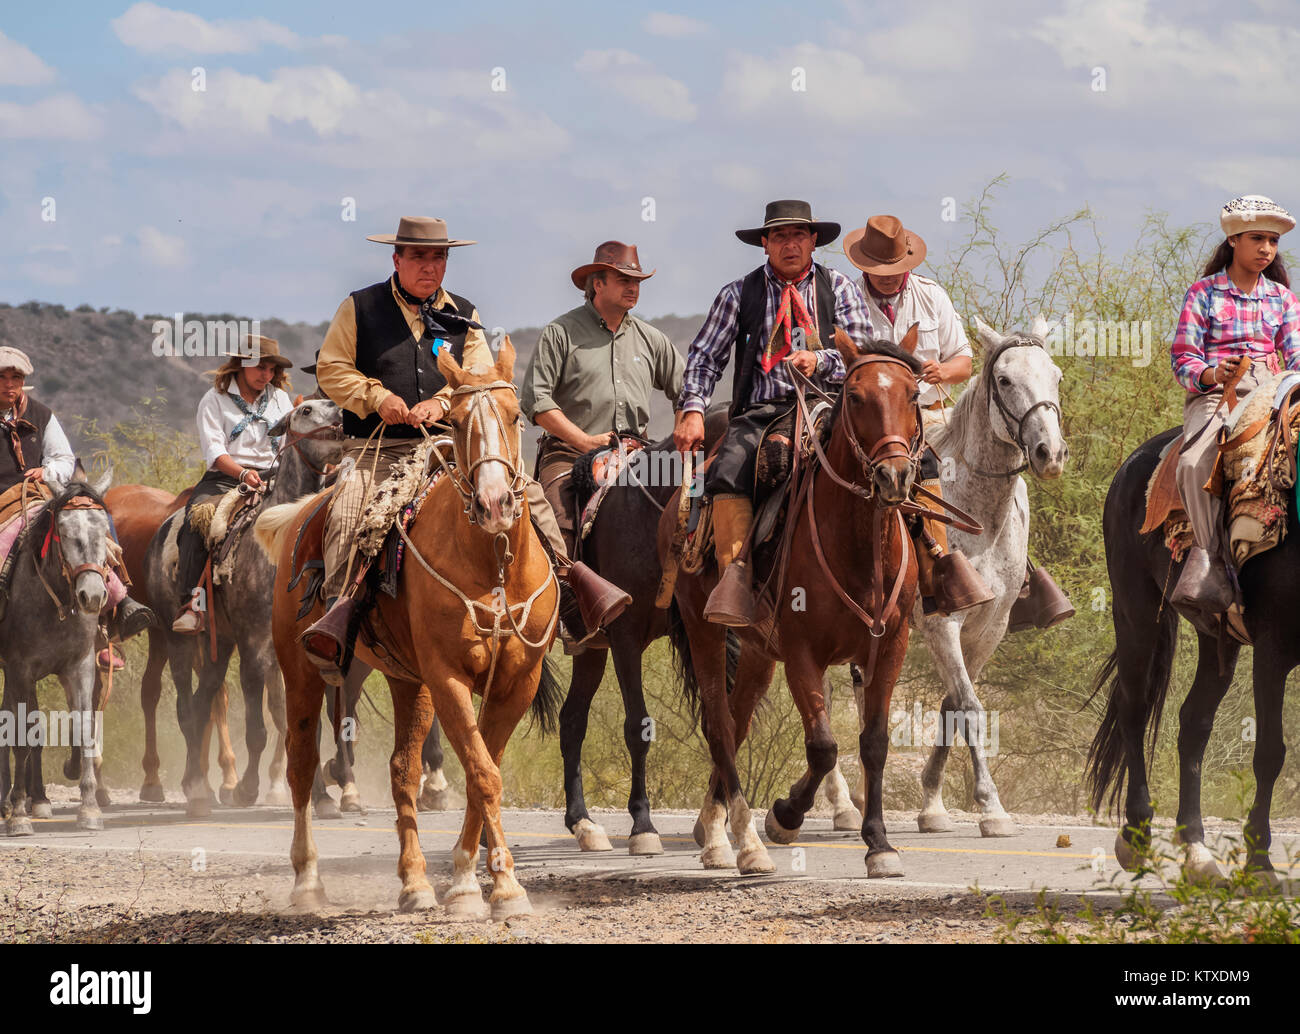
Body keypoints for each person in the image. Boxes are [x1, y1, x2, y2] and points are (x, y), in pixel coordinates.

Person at [302, 216, 630, 681]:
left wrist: (440, 402)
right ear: (397, 259)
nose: (429, 266)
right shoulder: (359, 307)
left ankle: (568, 589)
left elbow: (478, 376)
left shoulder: (464, 315)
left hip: (448, 444)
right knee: (348, 509)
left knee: (529, 493)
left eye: (438, 257)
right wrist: (379, 398)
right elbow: (331, 368)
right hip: (378, 449)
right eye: (418, 256)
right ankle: (340, 617)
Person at [520, 241, 684, 642]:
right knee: (559, 525)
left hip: (638, 455)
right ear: (597, 283)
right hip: (568, 453)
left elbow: (687, 389)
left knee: (690, 507)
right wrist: (583, 440)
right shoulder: (561, 333)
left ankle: (687, 602)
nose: (633, 288)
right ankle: (569, 614)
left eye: (637, 281)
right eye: (624, 279)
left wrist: (684, 434)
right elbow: (536, 401)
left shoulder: (651, 339)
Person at [1169, 195, 1300, 614]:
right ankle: (1207, 557)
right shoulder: (1203, 294)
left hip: (1274, 389)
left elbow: (1297, 357)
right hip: (1217, 393)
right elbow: (1183, 359)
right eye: (1257, 239)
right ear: (1233, 243)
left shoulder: (1283, 298)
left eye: (1273, 242)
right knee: (1192, 464)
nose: (1266, 249)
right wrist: (1211, 374)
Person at [0, 346, 153, 653]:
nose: (9, 384)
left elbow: (63, 458)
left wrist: (46, 471)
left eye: (16, 377)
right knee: (5, 541)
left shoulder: (41, 414)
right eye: (2, 377)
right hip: (2, 500)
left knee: (92, 516)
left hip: (40, 493)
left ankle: (117, 607)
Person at [172, 336, 294, 633]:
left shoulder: (280, 399)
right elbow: (215, 452)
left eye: (270, 369)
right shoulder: (214, 399)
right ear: (241, 364)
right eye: (259, 367)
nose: (265, 374)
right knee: (196, 521)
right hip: (226, 478)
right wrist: (242, 474)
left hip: (275, 476)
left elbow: (291, 442)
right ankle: (192, 604)